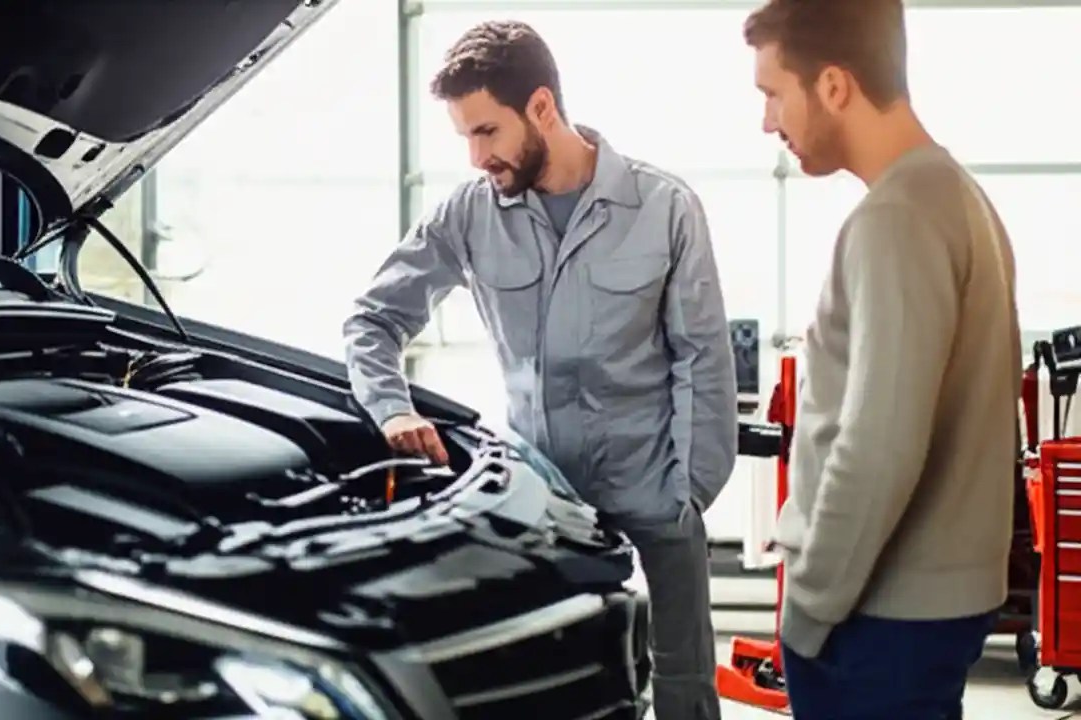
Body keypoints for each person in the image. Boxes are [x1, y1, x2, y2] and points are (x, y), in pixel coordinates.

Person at [343, 19, 738, 720]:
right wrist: (393, 409)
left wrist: (690, 489)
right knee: (556, 688)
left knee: (683, 687)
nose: (475, 157)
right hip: (543, 499)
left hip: (657, 487)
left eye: (486, 132)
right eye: (465, 136)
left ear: (543, 109)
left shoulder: (664, 207)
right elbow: (373, 319)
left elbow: (702, 356)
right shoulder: (468, 215)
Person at [742, 1, 1022, 717]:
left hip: (876, 616)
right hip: (926, 608)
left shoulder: (896, 218)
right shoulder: (953, 195)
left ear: (834, 85)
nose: (768, 122)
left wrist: (808, 609)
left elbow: (879, 445)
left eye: (774, 93)